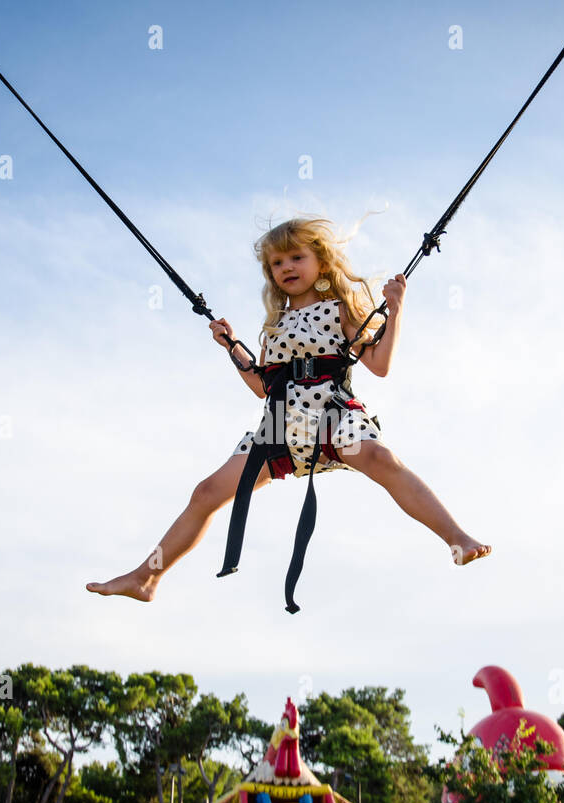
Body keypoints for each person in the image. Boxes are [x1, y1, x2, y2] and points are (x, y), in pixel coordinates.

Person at [86, 217, 489, 602]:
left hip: (332, 416)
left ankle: (457, 539)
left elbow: (380, 366)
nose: (286, 267)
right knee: (207, 492)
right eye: (277, 263)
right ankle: (145, 579)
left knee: (382, 460)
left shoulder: (341, 311)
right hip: (279, 427)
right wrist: (232, 347)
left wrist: (395, 310)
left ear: (321, 263)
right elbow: (264, 385)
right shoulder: (275, 324)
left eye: (296, 257)